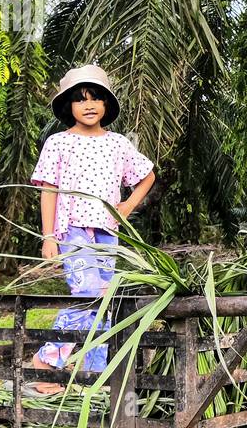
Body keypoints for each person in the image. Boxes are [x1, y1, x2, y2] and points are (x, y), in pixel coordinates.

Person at [28, 65, 155, 395]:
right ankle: (46, 361)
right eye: (81, 99)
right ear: (69, 106)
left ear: (106, 105)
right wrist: (48, 236)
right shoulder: (58, 143)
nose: (89, 104)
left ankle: (94, 374)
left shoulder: (118, 144)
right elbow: (48, 190)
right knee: (86, 295)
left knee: (103, 300)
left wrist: (127, 206)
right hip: (72, 230)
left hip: (106, 232)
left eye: (96, 97)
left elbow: (146, 176)